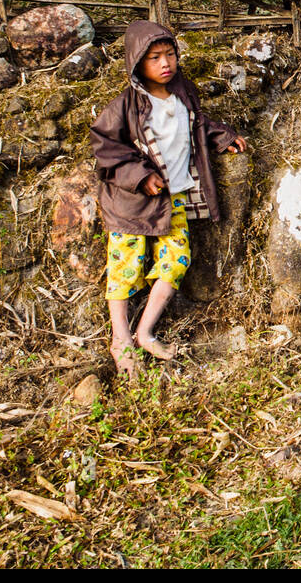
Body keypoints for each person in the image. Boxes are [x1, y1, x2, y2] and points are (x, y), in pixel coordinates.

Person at [90, 20, 247, 377]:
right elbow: (106, 147)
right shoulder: (125, 106)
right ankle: (121, 339)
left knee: (176, 261)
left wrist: (223, 137)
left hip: (173, 198)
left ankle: (145, 331)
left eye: (170, 55)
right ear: (136, 63)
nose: (165, 63)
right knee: (125, 269)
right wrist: (140, 176)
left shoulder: (183, 93)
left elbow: (197, 125)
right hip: (130, 203)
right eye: (154, 58)